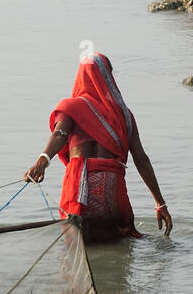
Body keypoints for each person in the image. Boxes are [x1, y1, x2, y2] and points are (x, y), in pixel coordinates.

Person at [23, 52, 173, 241]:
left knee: (76, 248)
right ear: (109, 78)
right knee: (119, 246)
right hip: (113, 193)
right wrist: (160, 203)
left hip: (79, 192)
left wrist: (42, 161)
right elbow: (141, 160)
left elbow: (59, 134)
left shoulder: (71, 107)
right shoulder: (124, 115)